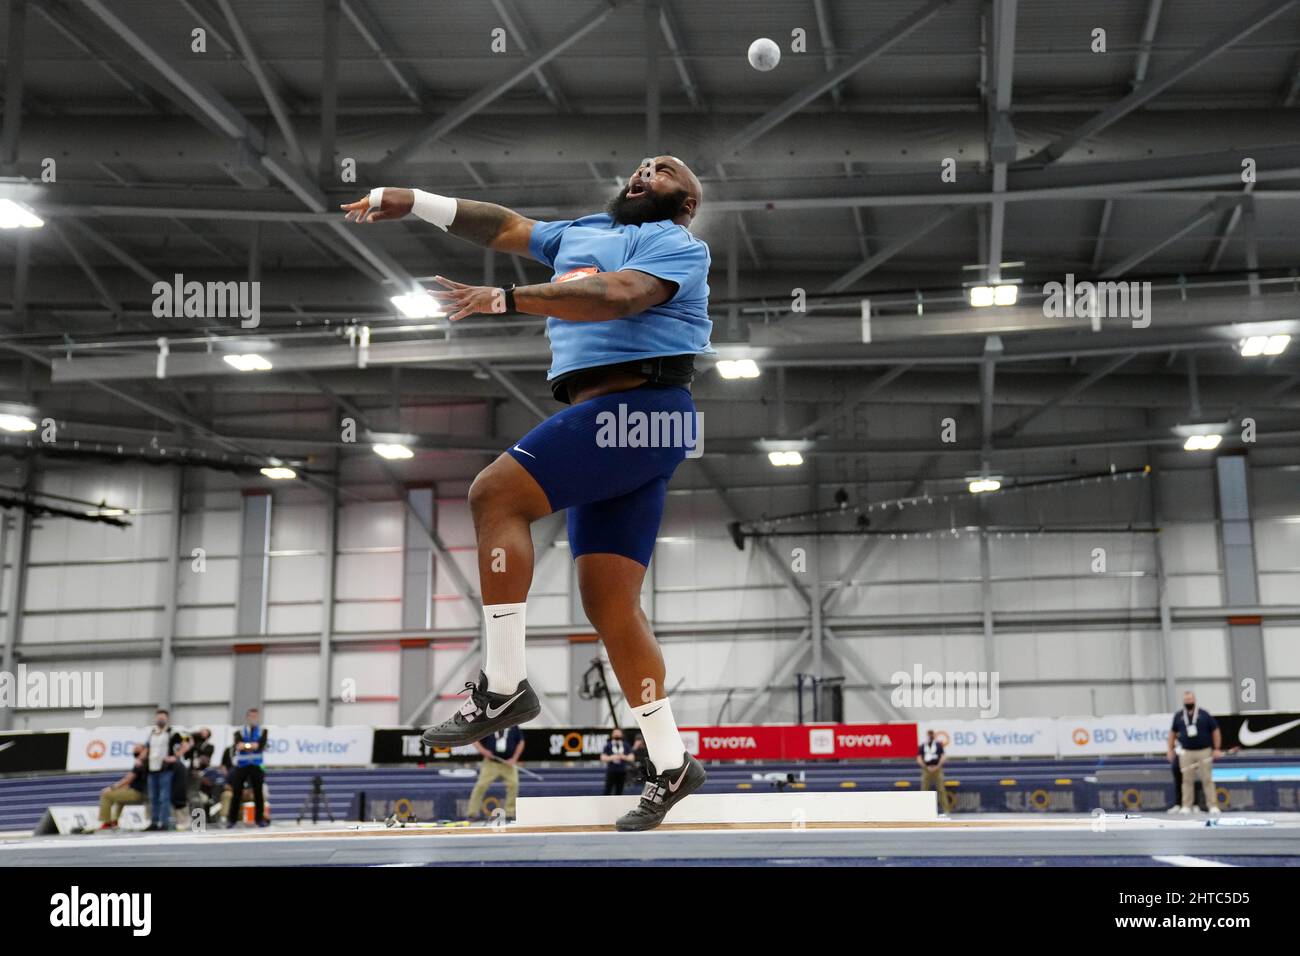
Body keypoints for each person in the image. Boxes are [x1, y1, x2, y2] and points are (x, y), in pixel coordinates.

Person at [344, 155, 712, 831]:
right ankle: (671, 763)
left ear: (686, 203)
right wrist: (414, 199)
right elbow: (506, 226)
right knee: (611, 607)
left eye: (665, 172)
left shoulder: (676, 244)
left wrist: (508, 298)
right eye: (641, 165)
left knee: (495, 495)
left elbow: (620, 295)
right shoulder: (578, 231)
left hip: (643, 410)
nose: (645, 170)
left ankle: (504, 686)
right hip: (619, 423)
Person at [1166, 691, 1222, 815]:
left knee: (1207, 779)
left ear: (1194, 700)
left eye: (1190, 700)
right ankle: (1186, 805)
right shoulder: (1179, 715)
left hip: (1204, 751)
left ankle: (1212, 805)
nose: (1188, 702)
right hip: (1186, 752)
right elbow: (1172, 734)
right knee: (1186, 780)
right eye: (1186, 700)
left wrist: (1216, 748)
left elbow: (1215, 731)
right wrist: (1170, 749)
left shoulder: (1204, 714)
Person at [466, 726, 525, 822]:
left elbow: (521, 742)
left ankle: (510, 813)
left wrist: (514, 758)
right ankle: (472, 813)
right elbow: (474, 739)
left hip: (508, 764)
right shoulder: (490, 725)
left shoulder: (514, 727)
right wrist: (483, 751)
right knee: (481, 785)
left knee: (514, 784)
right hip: (491, 763)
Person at [227, 709, 269, 827]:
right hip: (242, 765)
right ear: (247, 717)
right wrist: (251, 745)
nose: (253, 718)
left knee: (258, 793)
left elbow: (259, 746)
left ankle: (259, 819)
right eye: (251, 716)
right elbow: (238, 745)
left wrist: (246, 745)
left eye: (256, 716)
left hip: (256, 765)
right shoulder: (239, 731)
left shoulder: (263, 731)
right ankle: (232, 820)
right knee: (237, 792)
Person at [144, 709, 184, 831]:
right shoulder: (152, 732)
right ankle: (154, 821)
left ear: (167, 719)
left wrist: (175, 757)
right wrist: (141, 758)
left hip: (165, 768)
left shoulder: (172, 732)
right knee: (153, 797)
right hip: (152, 767)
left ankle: (165, 822)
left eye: (163, 717)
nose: (161, 719)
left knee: (164, 797)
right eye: (159, 717)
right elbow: (147, 748)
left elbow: (186, 743)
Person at [97, 743, 147, 830]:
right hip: (142, 792)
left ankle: (106, 823)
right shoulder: (146, 762)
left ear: (143, 751)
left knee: (106, 795)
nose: (134, 752)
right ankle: (114, 821)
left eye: (137, 750)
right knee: (120, 797)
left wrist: (112, 788)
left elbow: (128, 779)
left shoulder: (140, 763)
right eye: (134, 750)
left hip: (138, 794)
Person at [917, 729, 950, 813]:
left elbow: (943, 757)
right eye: (929, 735)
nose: (930, 736)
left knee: (941, 790)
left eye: (931, 735)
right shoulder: (923, 746)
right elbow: (919, 758)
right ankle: (922, 810)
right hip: (926, 770)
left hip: (937, 769)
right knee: (924, 790)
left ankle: (946, 810)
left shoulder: (938, 745)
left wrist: (937, 766)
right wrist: (925, 767)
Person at [601, 728, 634, 796]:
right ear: (612, 735)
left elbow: (632, 757)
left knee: (619, 790)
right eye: (615, 733)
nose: (617, 735)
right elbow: (602, 757)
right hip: (611, 771)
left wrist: (623, 757)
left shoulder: (625, 745)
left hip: (622, 771)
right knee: (608, 790)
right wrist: (612, 757)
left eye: (618, 733)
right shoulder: (608, 745)